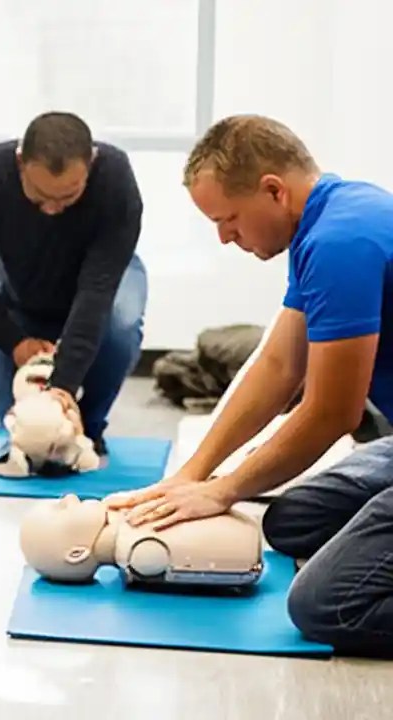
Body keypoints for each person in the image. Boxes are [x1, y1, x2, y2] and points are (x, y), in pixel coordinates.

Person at [107, 114, 393, 657]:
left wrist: (222, 490)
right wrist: (193, 476)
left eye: (230, 219)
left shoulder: (341, 242)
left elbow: (331, 413)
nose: (224, 236)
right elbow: (279, 368)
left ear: (273, 190)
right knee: (291, 521)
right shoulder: (325, 223)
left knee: (325, 603)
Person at [0, 111, 147, 454]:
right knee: (20, 428)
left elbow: (97, 290)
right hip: (22, 285)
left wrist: (63, 390)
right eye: (39, 196)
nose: (52, 209)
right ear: (20, 161)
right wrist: (15, 342)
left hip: (103, 280)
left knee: (120, 323)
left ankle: (92, 424)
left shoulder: (114, 178)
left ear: (91, 163)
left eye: (68, 197)